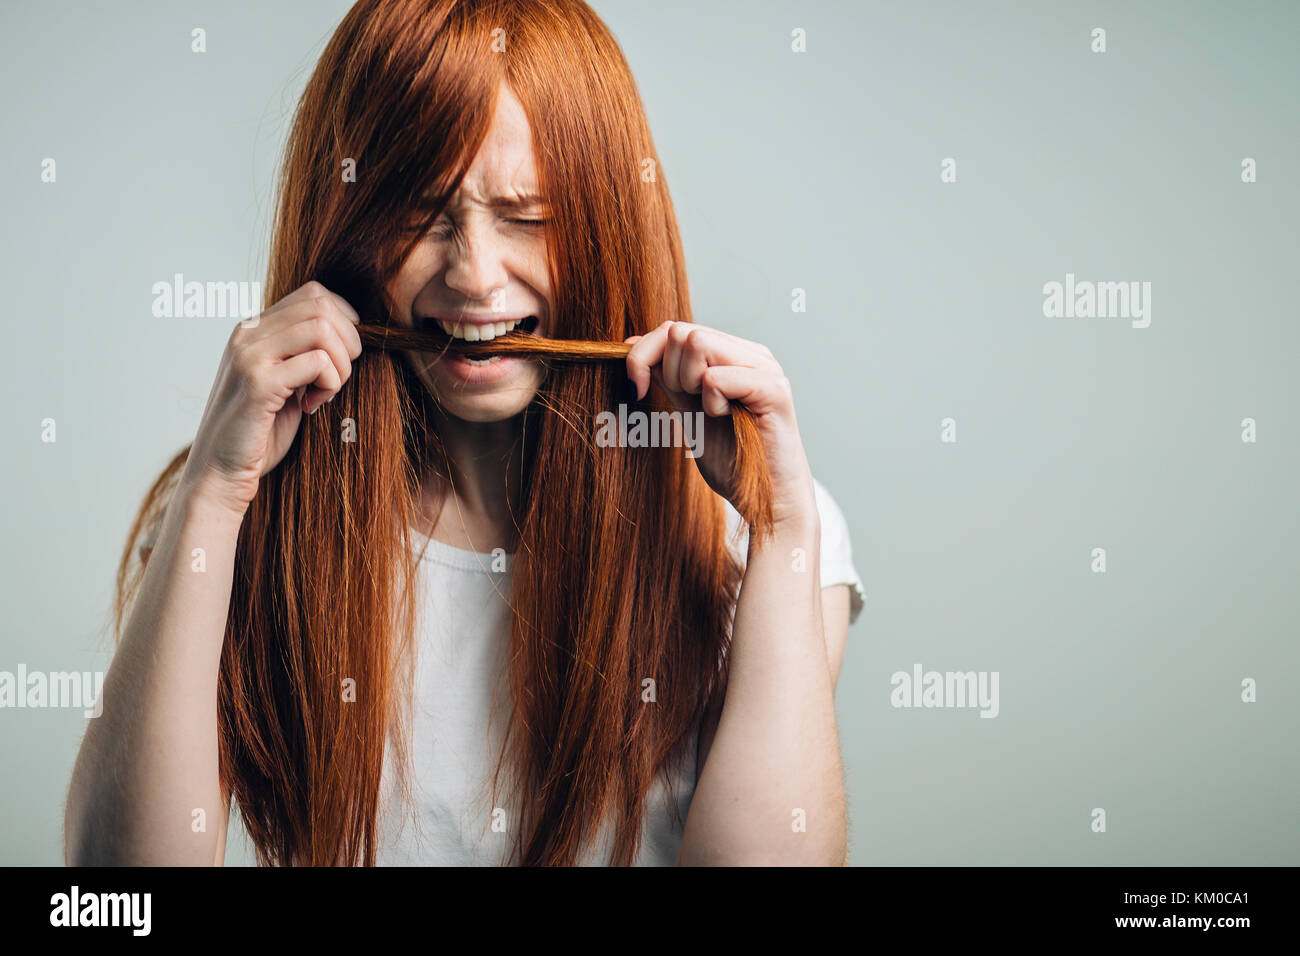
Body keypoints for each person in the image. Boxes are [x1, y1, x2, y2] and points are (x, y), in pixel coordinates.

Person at [64, 0, 865, 867]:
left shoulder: (761, 536)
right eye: (421, 212)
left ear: (608, 225)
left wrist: (783, 530)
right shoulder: (236, 514)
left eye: (529, 216)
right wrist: (212, 500)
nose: (474, 276)